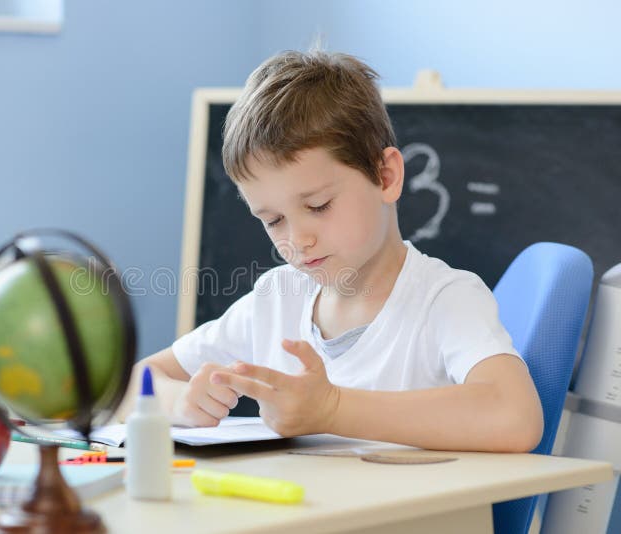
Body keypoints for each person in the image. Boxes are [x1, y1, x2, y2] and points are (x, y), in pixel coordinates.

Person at [117, 50, 543, 452]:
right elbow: (133, 384)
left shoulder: (445, 300)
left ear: (386, 176)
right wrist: (180, 402)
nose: (297, 240)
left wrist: (333, 409)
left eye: (318, 206)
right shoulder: (275, 301)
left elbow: (516, 417)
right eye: (273, 220)